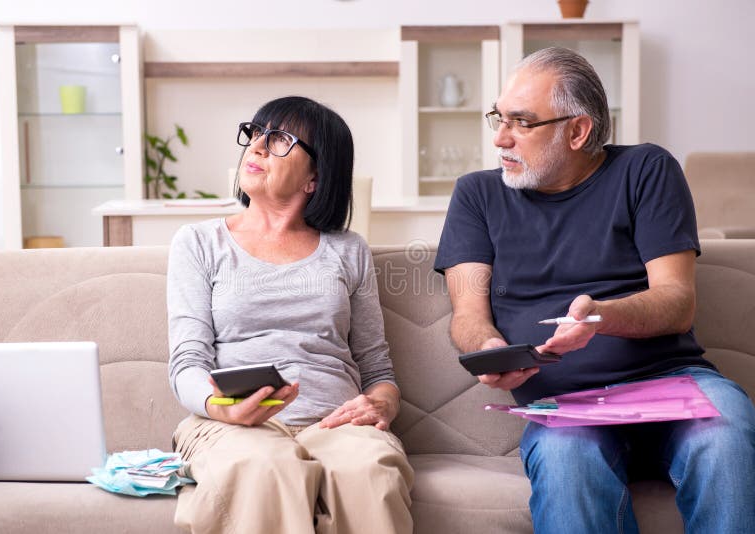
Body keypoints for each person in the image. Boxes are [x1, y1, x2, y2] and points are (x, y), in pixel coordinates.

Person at [434, 47, 755, 533]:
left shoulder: (646, 170)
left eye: (522, 122)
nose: (501, 138)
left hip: (673, 382)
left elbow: (676, 302)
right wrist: (490, 349)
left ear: (578, 130)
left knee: (725, 436)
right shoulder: (476, 195)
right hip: (568, 408)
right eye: (498, 118)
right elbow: (468, 313)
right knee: (565, 460)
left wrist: (600, 317)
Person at [167, 96, 413, 534]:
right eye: (256, 133)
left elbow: (378, 367)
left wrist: (381, 404)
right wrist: (219, 408)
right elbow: (187, 363)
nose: (258, 147)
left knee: (371, 470)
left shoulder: (348, 249)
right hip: (233, 425)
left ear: (315, 178)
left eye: (280, 139)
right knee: (265, 468)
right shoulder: (198, 243)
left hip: (336, 422)